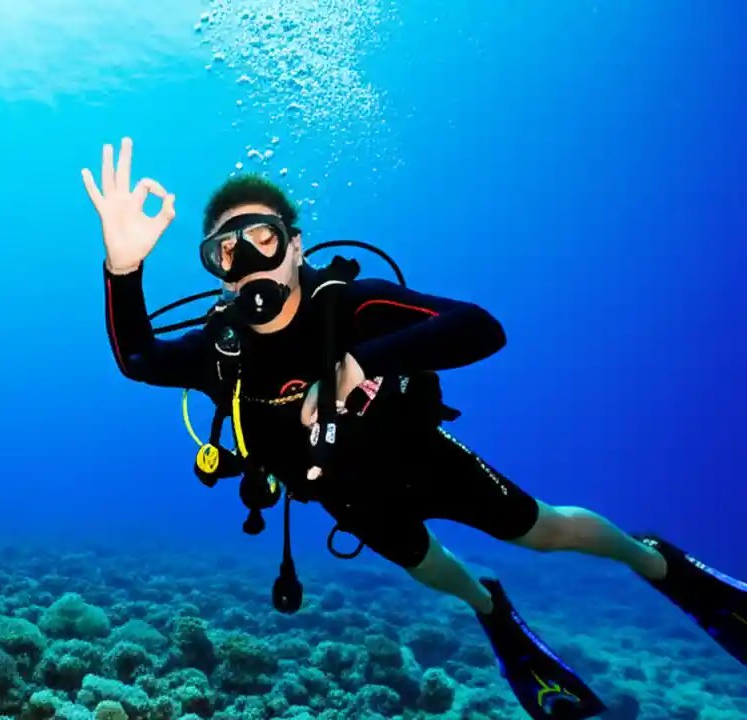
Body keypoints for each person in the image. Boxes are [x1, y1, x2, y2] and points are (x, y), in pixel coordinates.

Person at [81, 137, 746, 720]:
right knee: (437, 571)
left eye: (261, 238)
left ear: (295, 246)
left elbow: (480, 327)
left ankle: (659, 563)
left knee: (545, 531)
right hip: (349, 500)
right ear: (216, 270)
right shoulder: (218, 348)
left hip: (423, 457)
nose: (247, 260)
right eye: (225, 250)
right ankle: (492, 610)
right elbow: (137, 359)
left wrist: (360, 360)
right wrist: (123, 267)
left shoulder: (350, 305)